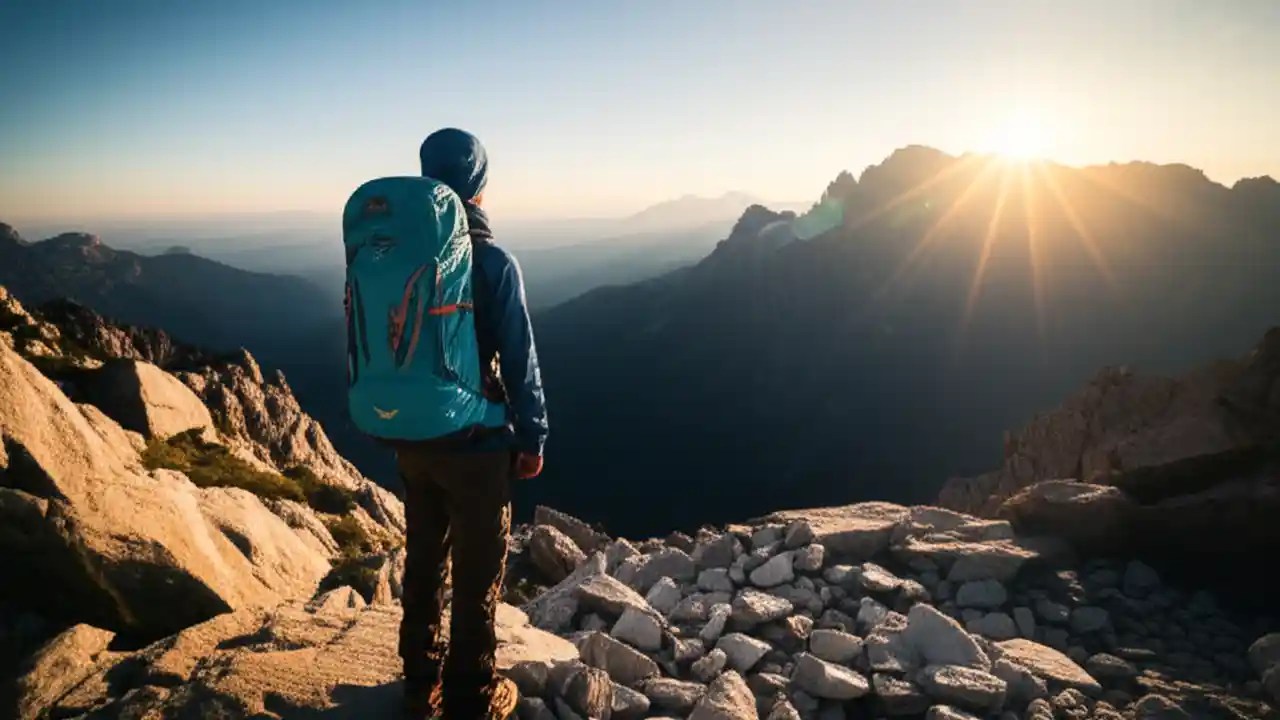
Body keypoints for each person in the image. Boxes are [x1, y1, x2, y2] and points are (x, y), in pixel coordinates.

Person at [397, 127, 549, 720]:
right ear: (479, 186)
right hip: (476, 443)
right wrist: (533, 437)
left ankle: (418, 684)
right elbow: (520, 359)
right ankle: (470, 697)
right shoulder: (490, 261)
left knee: (423, 560)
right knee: (478, 573)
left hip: (411, 437)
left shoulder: (396, 256)